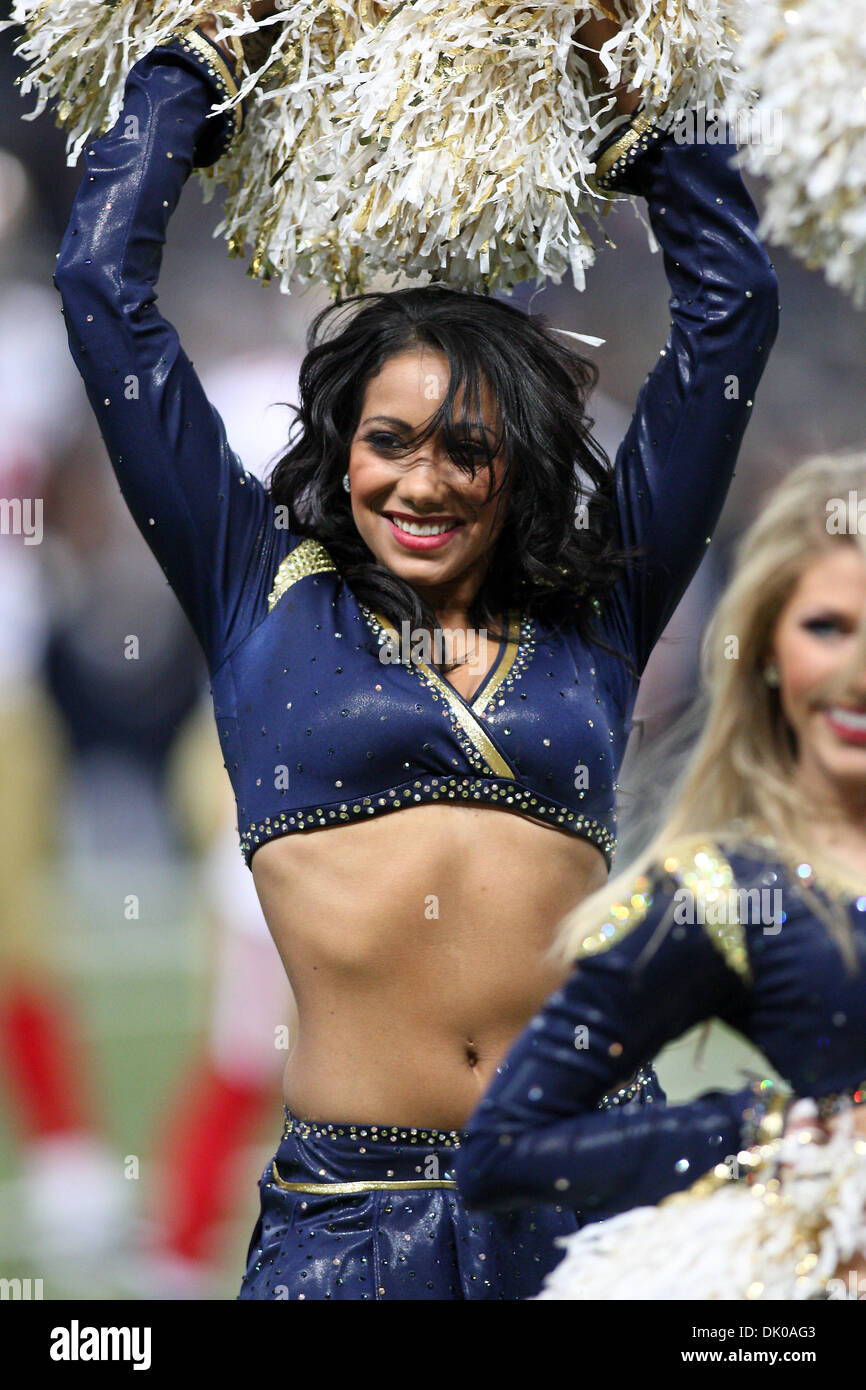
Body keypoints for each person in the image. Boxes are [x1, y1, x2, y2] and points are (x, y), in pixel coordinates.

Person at [48, 10, 778, 1298]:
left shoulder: (597, 605)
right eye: (389, 440)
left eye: (468, 449)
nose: (421, 481)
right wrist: (190, 70)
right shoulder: (253, 588)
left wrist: (646, 98)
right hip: (351, 1222)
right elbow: (101, 289)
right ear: (341, 450)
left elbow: (731, 315)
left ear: (520, 470)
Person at [456, 451, 866, 1300]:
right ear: (763, 653)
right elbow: (504, 1152)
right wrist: (766, 1133)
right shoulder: (725, 889)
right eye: (828, 627)